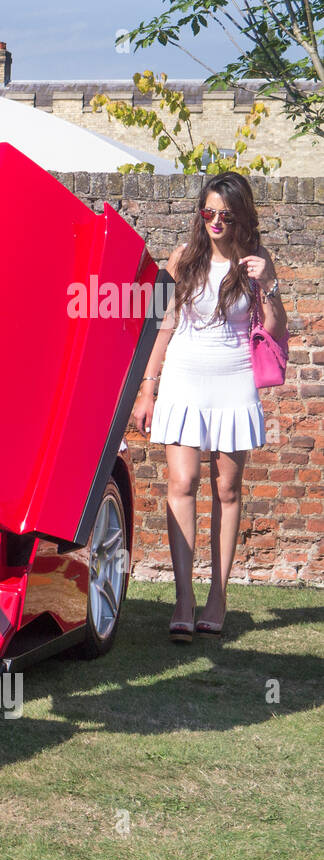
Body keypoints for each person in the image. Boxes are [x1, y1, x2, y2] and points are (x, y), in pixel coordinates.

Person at [132, 171, 290, 643]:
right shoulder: (185, 258)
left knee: (227, 489)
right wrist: (148, 387)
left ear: (241, 216)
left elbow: (277, 330)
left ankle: (217, 595)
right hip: (183, 375)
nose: (216, 221)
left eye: (225, 213)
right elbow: (167, 324)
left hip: (234, 378)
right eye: (208, 212)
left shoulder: (257, 261)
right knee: (183, 481)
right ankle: (184, 598)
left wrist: (273, 285)